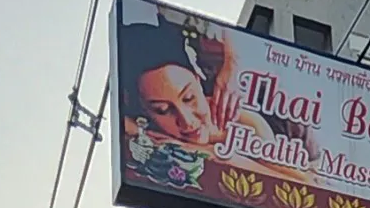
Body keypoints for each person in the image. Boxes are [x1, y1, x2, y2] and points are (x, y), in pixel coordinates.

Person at [117, 21, 309, 190]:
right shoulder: (140, 133)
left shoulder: (240, 120)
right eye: (163, 110)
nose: (187, 121)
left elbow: (304, 185)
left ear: (198, 79)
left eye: (189, 98)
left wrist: (212, 154)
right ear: (144, 110)